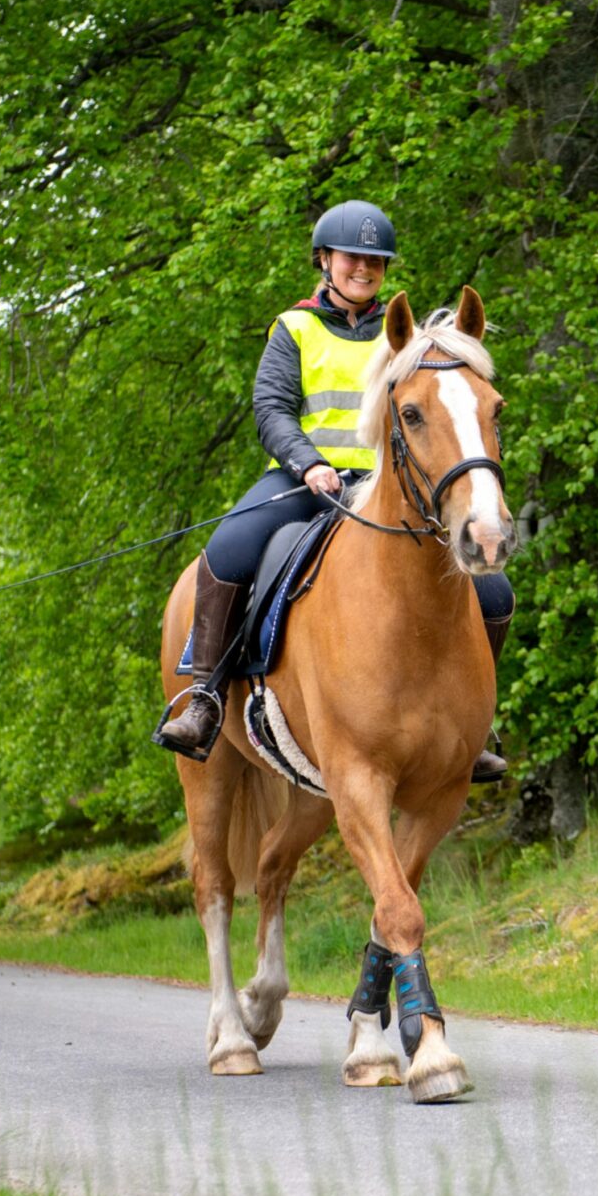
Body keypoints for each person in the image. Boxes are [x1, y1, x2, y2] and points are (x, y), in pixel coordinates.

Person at [154, 200, 515, 779]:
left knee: (495, 592)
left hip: (389, 488)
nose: (364, 269)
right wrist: (306, 462)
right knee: (228, 551)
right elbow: (271, 408)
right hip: (307, 479)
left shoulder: (408, 337)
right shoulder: (294, 327)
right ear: (325, 260)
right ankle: (205, 698)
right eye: (352, 257)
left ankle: (473, 724)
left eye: (375, 261)